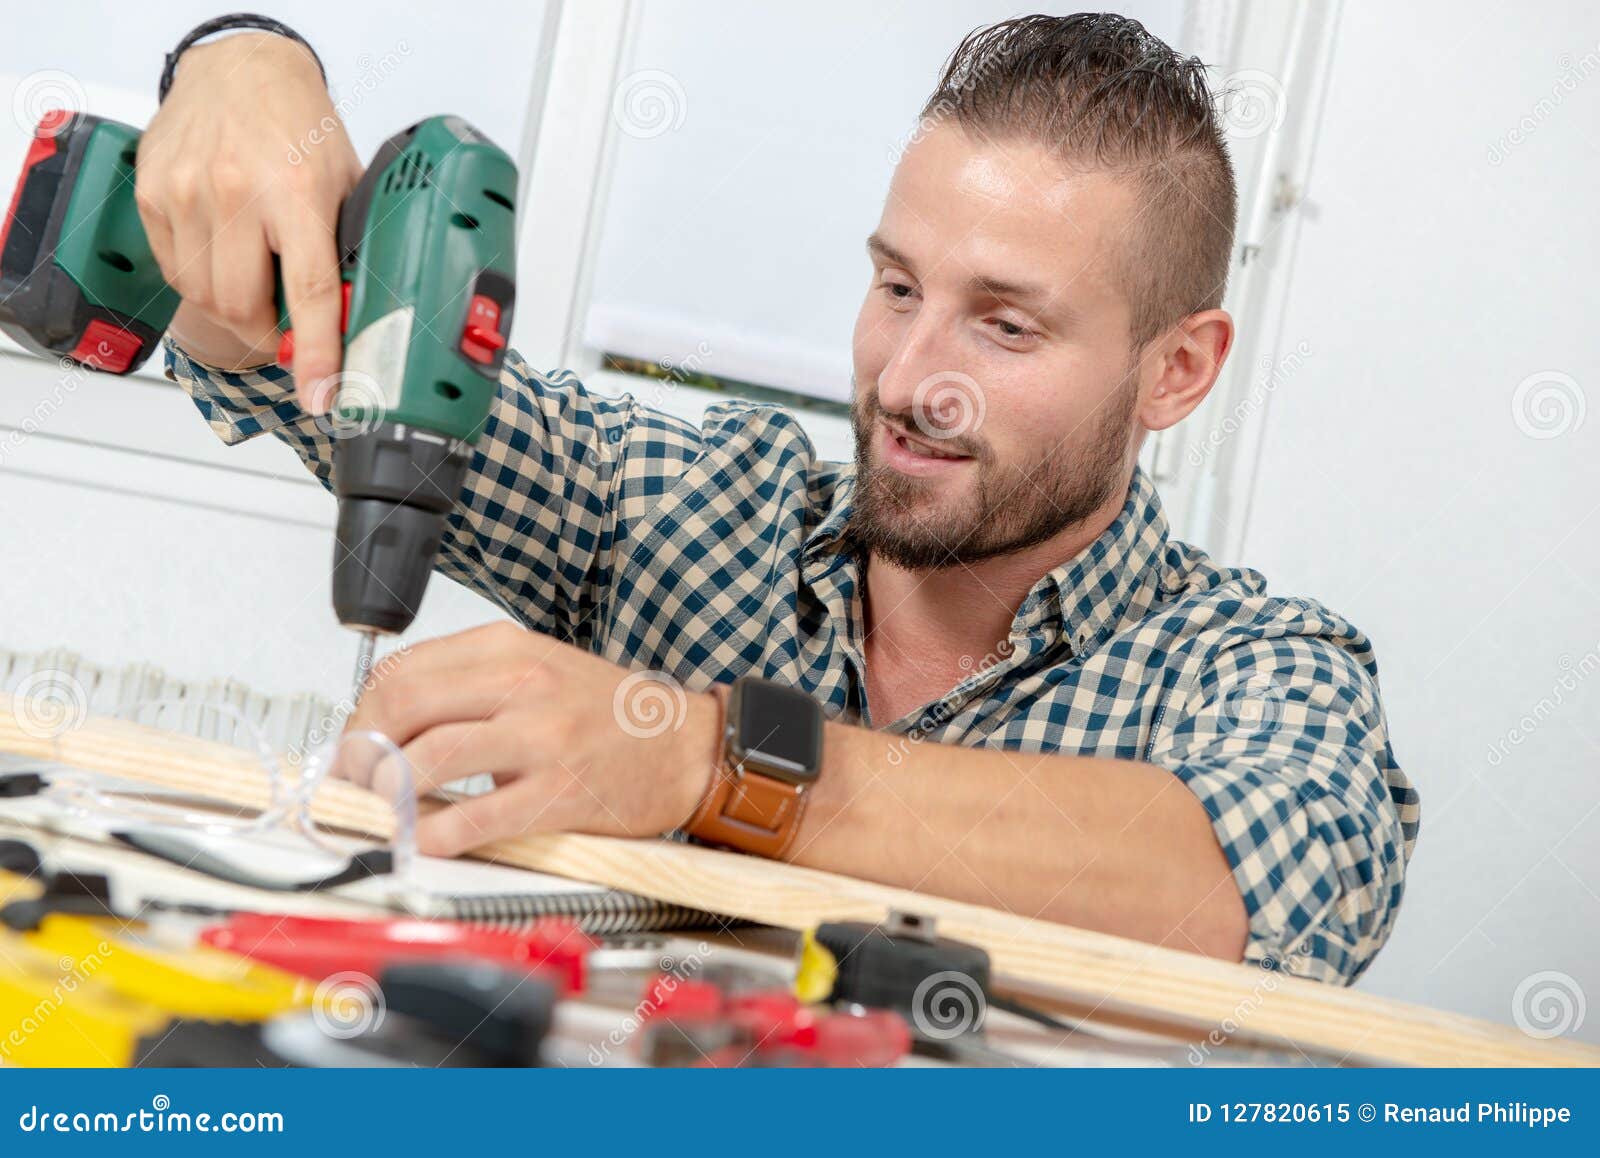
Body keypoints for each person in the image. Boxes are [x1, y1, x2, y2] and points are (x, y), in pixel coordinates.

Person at [143, 12, 1418, 984]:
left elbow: (1247, 883)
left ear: (1175, 369)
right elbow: (345, 363)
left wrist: (706, 758)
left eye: (1007, 327)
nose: (911, 382)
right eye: (898, 288)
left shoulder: (1257, 665)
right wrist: (240, 62)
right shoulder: (681, 510)